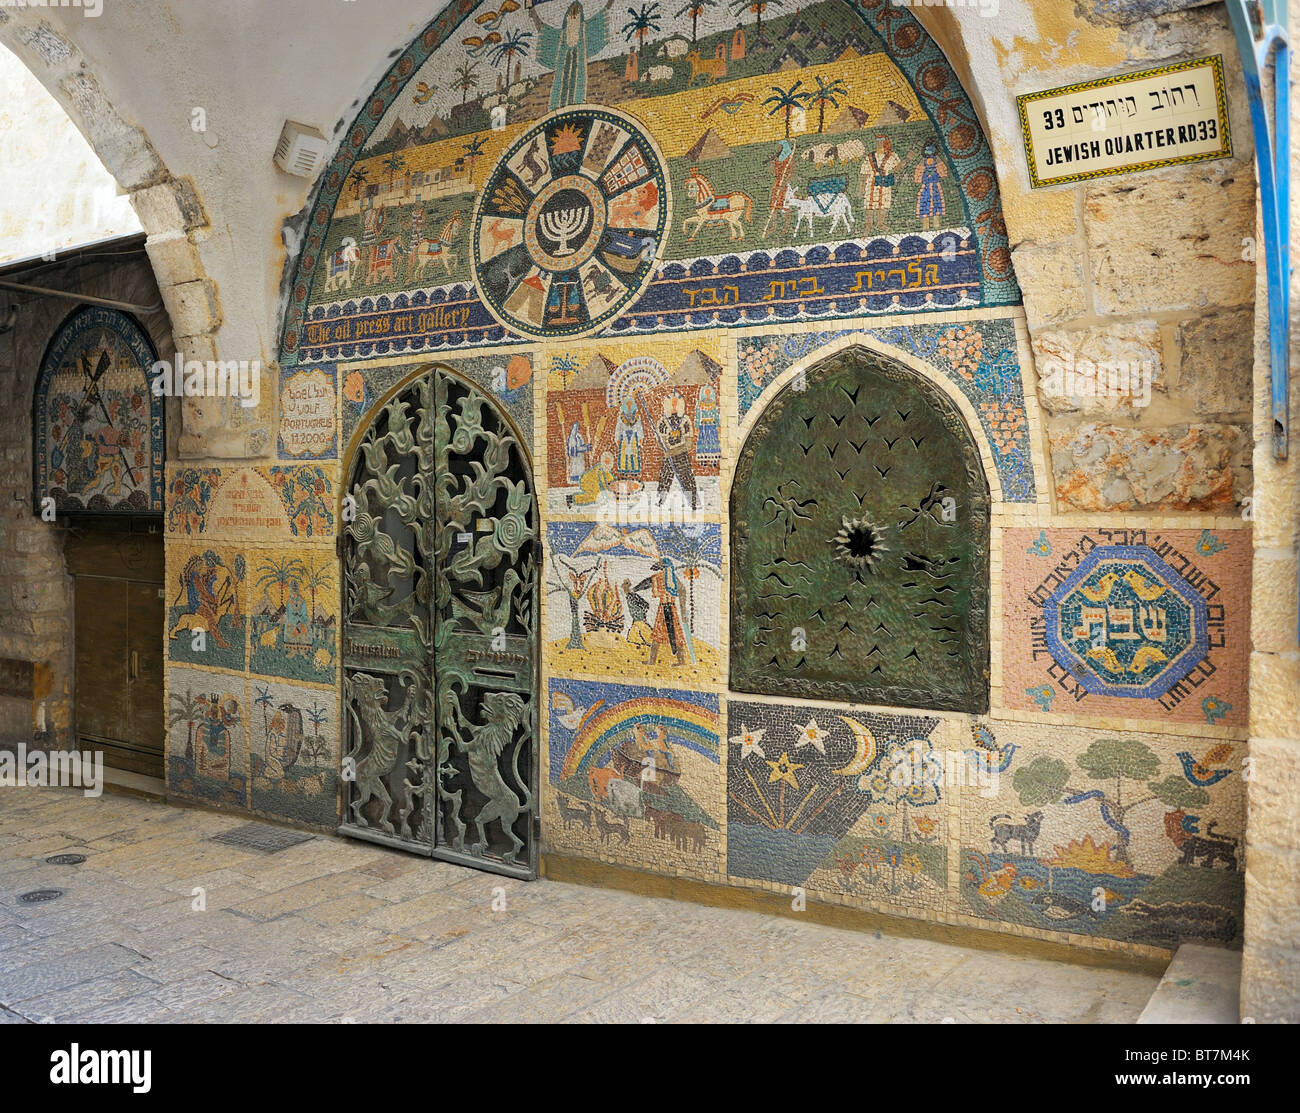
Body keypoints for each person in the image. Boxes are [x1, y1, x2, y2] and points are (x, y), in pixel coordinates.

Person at [530, 1, 614, 111]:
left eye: (577, 14)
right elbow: (543, 29)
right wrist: (533, 13)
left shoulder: (584, 30)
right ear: (566, 18)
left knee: (578, 86)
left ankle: (577, 105)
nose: (574, 17)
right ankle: (556, 108)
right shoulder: (561, 36)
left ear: (581, 17)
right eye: (571, 14)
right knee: (558, 87)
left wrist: (610, 3)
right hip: (561, 73)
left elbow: (600, 17)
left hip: (578, 71)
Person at [638, 558, 689, 667]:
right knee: (659, 635)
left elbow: (646, 583)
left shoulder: (668, 578)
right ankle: (653, 661)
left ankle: (681, 661)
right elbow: (646, 583)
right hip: (665, 609)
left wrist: (684, 612)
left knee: (673, 635)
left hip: (668, 609)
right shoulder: (665, 578)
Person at [652, 391, 697, 510]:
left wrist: (679, 449)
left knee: (687, 477)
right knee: (665, 477)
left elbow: (689, 441)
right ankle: (660, 500)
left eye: (676, 404)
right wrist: (667, 448)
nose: (673, 406)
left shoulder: (685, 420)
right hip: (669, 455)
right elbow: (660, 440)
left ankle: (693, 501)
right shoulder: (663, 422)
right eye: (671, 404)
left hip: (681, 455)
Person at [860, 135, 901, 233]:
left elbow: (897, 168)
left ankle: (880, 223)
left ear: (885, 142)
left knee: (884, 203)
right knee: (869, 203)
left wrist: (906, 160)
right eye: (877, 141)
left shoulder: (892, 156)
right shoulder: (870, 157)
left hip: (885, 183)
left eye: (881, 141)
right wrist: (861, 187)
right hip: (871, 182)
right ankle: (868, 224)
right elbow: (864, 172)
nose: (879, 143)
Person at [762, 138, 797, 238]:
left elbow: (792, 173)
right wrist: (771, 163)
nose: (778, 148)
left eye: (780, 147)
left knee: (785, 206)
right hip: (777, 186)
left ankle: (786, 226)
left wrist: (785, 179)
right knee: (774, 205)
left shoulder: (789, 161)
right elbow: (774, 172)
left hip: (784, 186)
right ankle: (774, 226)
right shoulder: (778, 161)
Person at [913, 141, 949, 231]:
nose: (929, 152)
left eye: (931, 149)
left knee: (937, 203)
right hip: (925, 187)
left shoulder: (937, 160)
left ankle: (936, 225)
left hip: (935, 186)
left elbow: (943, 172)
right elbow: (917, 175)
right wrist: (924, 174)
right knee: (924, 204)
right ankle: (926, 226)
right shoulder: (923, 161)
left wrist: (935, 171)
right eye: (927, 149)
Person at [613, 396, 643, 475]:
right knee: (624, 453)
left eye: (630, 404)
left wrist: (640, 437)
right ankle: (624, 469)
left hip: (634, 436)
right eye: (627, 404)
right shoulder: (621, 416)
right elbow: (618, 427)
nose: (629, 405)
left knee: (634, 452)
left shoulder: (636, 416)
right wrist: (617, 437)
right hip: (624, 437)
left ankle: (634, 469)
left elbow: (639, 426)